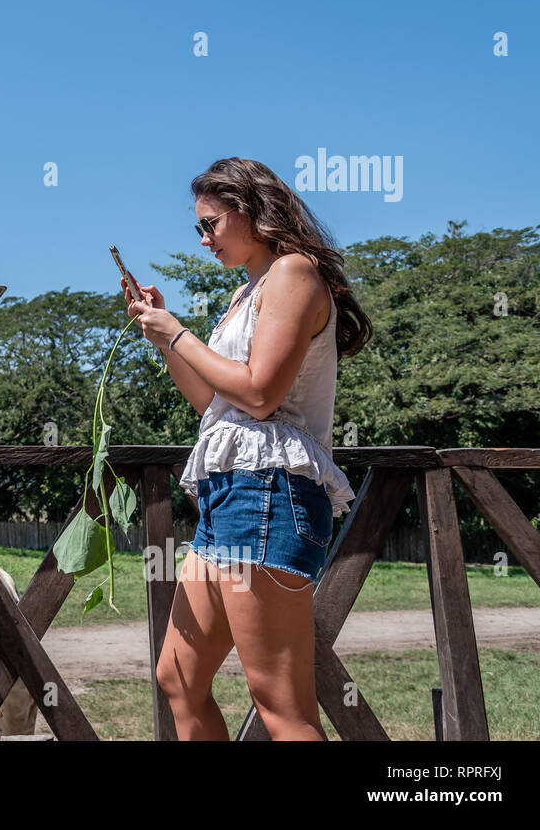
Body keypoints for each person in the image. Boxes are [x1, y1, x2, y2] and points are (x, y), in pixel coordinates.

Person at [125, 157, 373, 741]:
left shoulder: (294, 273)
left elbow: (261, 395)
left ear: (253, 211)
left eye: (211, 223)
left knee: (280, 705)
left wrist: (178, 333)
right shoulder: (246, 293)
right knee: (179, 678)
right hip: (229, 496)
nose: (204, 238)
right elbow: (215, 400)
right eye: (199, 228)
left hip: (269, 492)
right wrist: (163, 335)